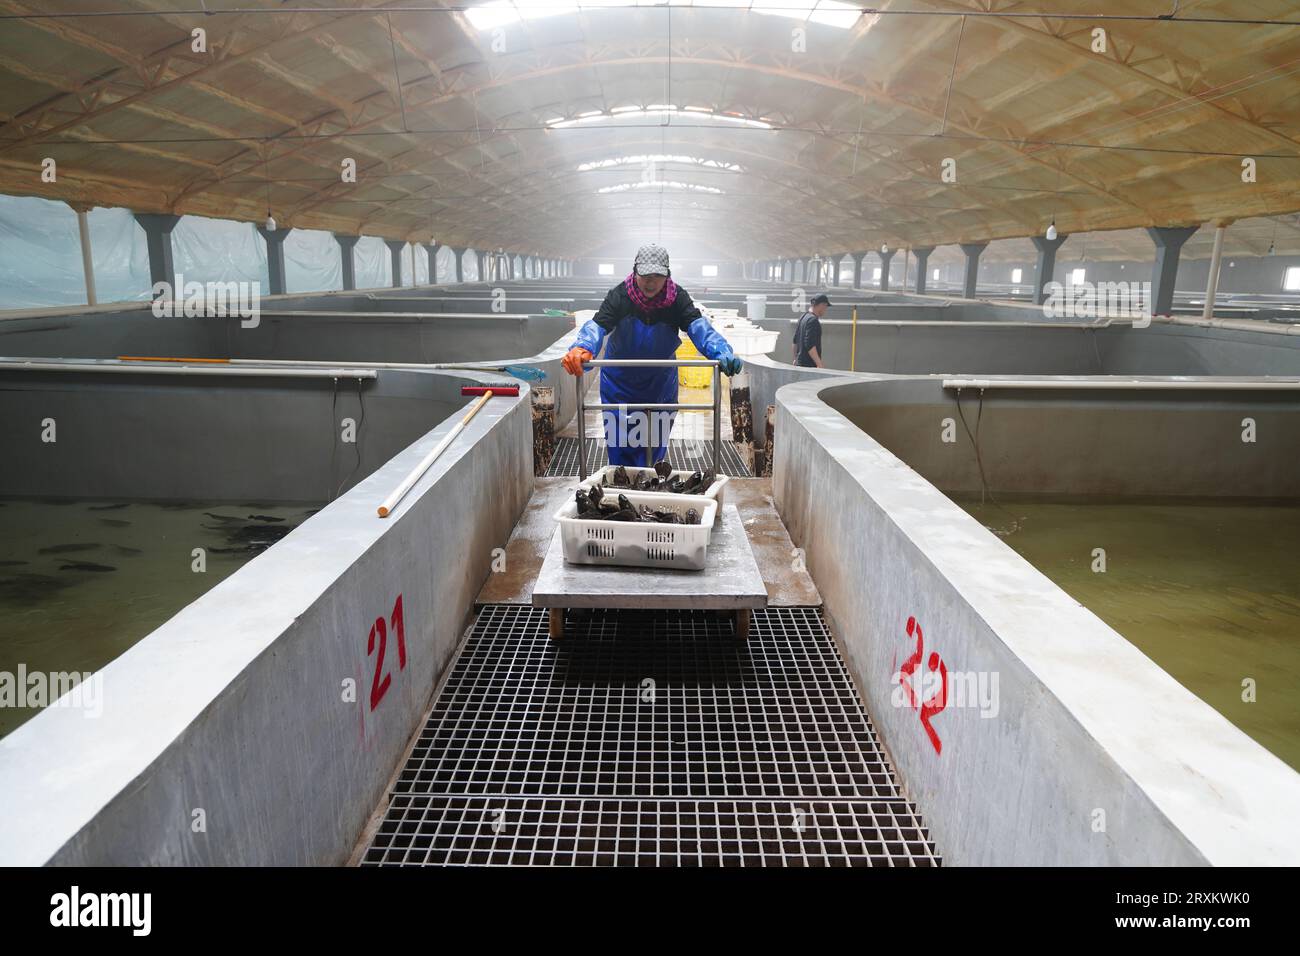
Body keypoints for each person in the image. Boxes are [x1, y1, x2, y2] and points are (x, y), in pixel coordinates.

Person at [561, 244, 743, 466]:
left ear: (667, 275)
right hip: (620, 384)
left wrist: (720, 349)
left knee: (654, 445)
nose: (651, 282)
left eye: (658, 276)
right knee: (619, 444)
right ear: (635, 272)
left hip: (660, 384)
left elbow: (697, 326)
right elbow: (598, 325)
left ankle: (649, 486)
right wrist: (583, 347)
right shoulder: (620, 296)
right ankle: (621, 483)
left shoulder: (677, 299)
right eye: (645, 275)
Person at [792, 293, 830, 368]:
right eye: (826, 306)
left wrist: (795, 359)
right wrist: (819, 364)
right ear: (821, 305)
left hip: (800, 364)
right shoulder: (813, 321)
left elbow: (794, 341)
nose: (826, 309)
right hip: (809, 366)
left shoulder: (803, 317)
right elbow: (810, 344)